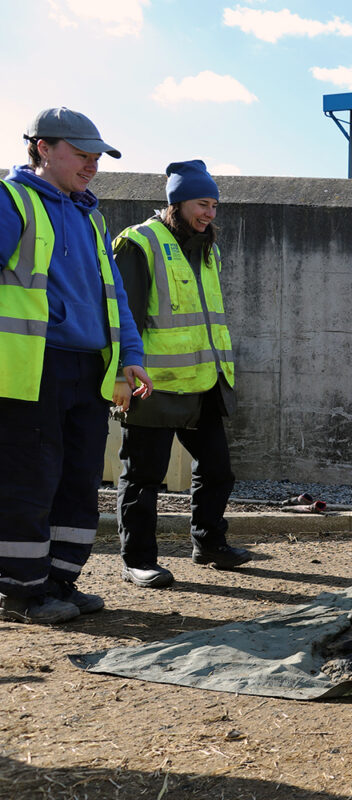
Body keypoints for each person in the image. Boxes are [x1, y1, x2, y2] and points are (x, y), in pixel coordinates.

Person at [0, 107, 152, 624]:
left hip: (89, 369)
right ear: (43, 148)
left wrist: (130, 357)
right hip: (29, 370)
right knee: (30, 480)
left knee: (78, 480)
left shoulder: (92, 217)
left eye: (97, 157)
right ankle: (22, 592)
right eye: (82, 155)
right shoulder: (12, 201)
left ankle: (59, 582)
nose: (92, 166)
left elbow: (115, 299)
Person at [113, 160, 252, 589]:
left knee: (218, 470)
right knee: (143, 478)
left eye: (214, 205)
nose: (210, 213)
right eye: (201, 204)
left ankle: (209, 543)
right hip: (152, 386)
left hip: (204, 382)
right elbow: (122, 317)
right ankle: (138, 561)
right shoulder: (140, 242)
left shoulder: (207, 249)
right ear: (177, 203)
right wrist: (120, 376)